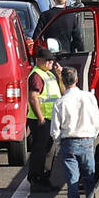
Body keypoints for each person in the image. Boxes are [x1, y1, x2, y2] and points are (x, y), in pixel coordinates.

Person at [50, 66, 99, 198]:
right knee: (89, 179)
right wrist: (92, 137)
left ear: (63, 82)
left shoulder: (60, 102)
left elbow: (54, 130)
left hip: (68, 142)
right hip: (86, 140)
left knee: (72, 183)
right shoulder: (89, 98)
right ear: (77, 80)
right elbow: (98, 122)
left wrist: (60, 144)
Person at [27, 46, 64, 190]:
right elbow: (33, 97)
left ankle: (44, 179)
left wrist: (60, 76)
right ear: (39, 60)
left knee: (50, 150)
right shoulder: (37, 75)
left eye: (52, 60)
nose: (51, 63)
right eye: (48, 61)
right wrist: (41, 118)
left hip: (51, 119)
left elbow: (62, 91)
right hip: (41, 120)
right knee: (40, 151)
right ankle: (36, 180)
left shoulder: (49, 74)